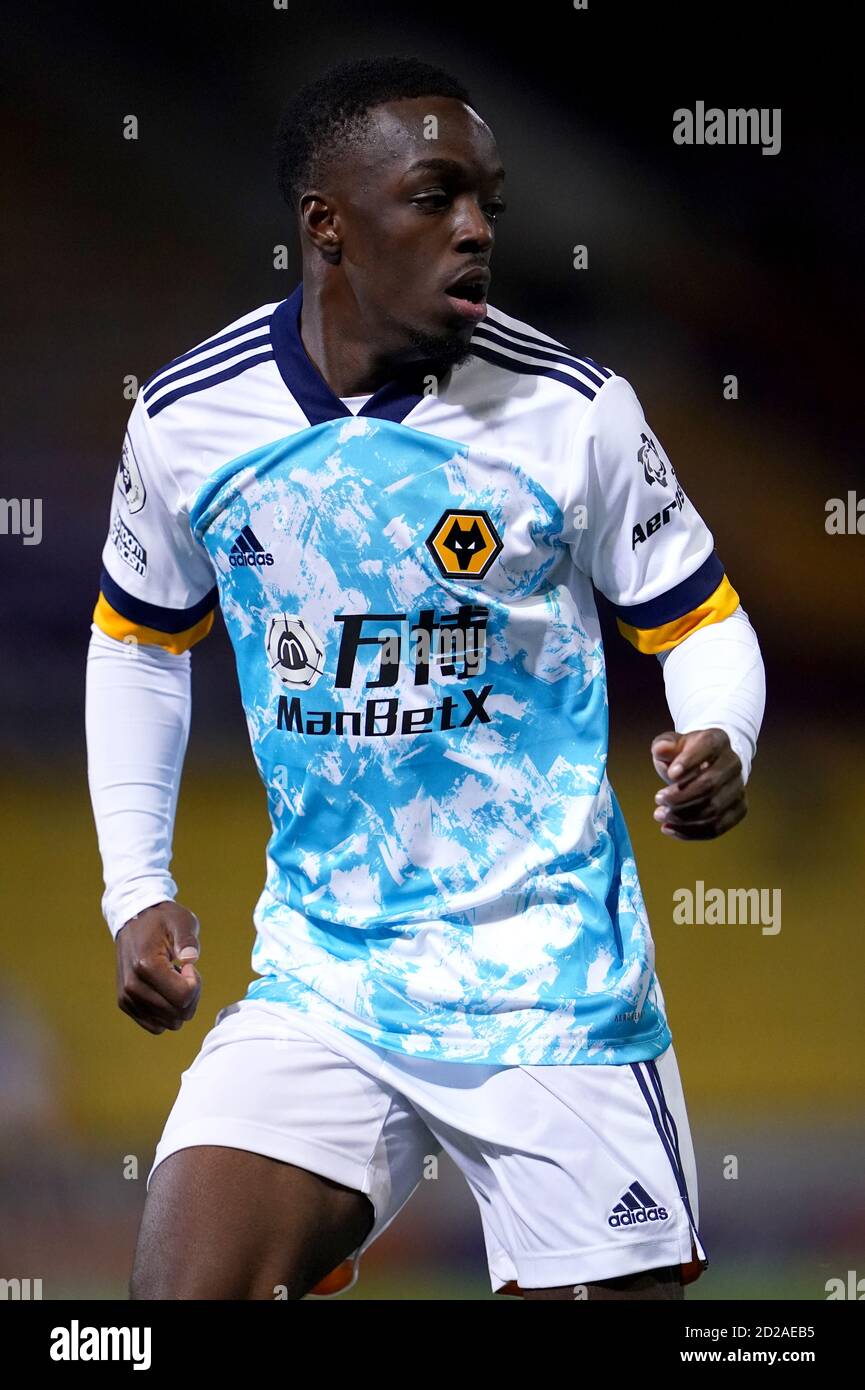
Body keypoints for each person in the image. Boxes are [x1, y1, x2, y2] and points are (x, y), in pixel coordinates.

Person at [85, 56, 766, 1300]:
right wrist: (137, 885)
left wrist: (719, 728)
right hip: (327, 977)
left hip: (551, 987)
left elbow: (704, 624)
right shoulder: (189, 422)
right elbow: (135, 641)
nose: (475, 232)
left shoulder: (574, 412)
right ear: (326, 224)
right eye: (436, 197)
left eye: (488, 206)